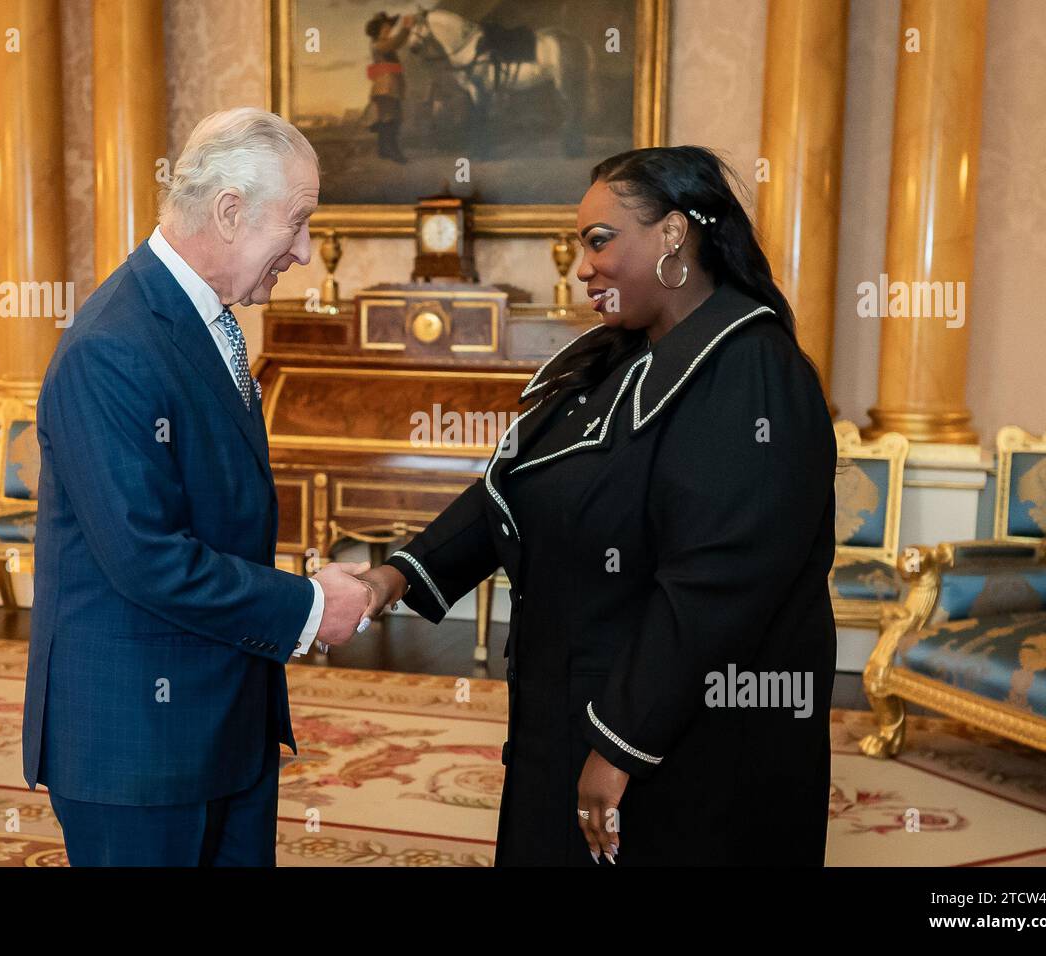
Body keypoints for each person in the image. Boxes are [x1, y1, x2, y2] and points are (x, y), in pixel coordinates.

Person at [359, 146, 838, 866]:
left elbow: (717, 587)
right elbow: (515, 485)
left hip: (682, 742)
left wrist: (620, 744)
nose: (583, 265)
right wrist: (394, 576)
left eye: (599, 241)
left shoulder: (753, 373)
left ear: (674, 234)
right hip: (571, 706)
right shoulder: (617, 358)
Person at [22, 108, 376, 866]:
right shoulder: (111, 346)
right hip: (138, 750)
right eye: (300, 223)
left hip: (223, 723)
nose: (306, 252)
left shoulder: (203, 319)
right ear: (229, 210)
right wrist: (310, 606)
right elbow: (148, 559)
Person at [365, 11, 416, 163]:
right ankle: (394, 152)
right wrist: (406, 29)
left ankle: (383, 150)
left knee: (386, 119)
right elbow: (396, 42)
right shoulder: (379, 44)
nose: (388, 29)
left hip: (390, 88)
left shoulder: (383, 43)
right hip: (385, 88)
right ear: (378, 29)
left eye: (389, 27)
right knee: (391, 120)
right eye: (385, 27)